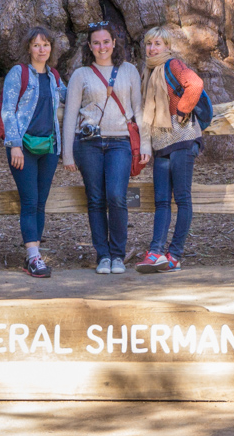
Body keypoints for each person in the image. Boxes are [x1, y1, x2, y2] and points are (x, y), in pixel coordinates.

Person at [62, 21, 150, 274]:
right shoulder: (81, 75)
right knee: (96, 199)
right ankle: (103, 255)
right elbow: (70, 116)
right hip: (88, 144)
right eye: (96, 42)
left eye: (106, 41)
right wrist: (67, 153)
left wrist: (145, 143)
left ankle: (118, 255)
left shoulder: (129, 71)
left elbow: (139, 110)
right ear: (90, 46)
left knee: (116, 195)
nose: (102, 47)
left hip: (120, 142)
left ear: (114, 42)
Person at [135, 25, 204, 273]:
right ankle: (155, 253)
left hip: (182, 138)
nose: (153, 48)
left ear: (167, 47)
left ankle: (174, 254)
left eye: (158, 44)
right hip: (161, 142)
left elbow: (195, 84)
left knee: (182, 198)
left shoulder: (173, 65)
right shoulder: (148, 71)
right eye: (149, 44)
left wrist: (183, 110)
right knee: (162, 200)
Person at [1, 26, 67, 277]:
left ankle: (36, 254)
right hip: (23, 148)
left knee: (41, 202)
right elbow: (8, 110)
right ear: (28, 48)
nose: (42, 49)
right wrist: (14, 144)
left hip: (49, 147)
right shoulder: (19, 73)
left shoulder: (54, 77)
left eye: (46, 45)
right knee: (29, 201)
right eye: (37, 45)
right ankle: (33, 258)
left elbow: (70, 97)